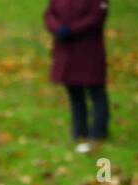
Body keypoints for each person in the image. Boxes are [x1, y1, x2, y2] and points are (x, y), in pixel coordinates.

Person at [44, 0, 109, 152]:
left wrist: (72, 29)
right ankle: (79, 131)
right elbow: (49, 14)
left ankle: (98, 131)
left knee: (96, 91)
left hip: (89, 50)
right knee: (74, 92)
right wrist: (57, 28)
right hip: (66, 51)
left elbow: (96, 16)